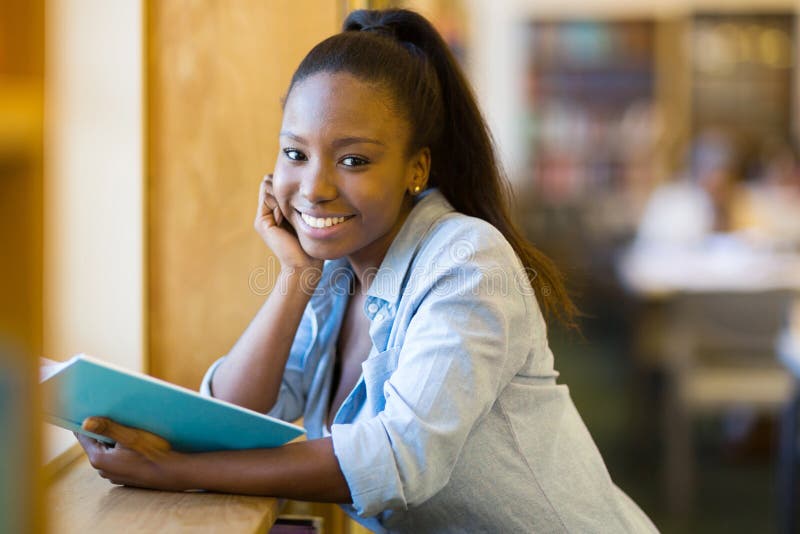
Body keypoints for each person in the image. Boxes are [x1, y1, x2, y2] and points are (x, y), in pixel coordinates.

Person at [75, 9, 657, 533]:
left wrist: (175, 472)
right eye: (295, 154)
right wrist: (293, 280)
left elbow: (394, 460)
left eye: (353, 160)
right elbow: (242, 414)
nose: (315, 188)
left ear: (415, 168)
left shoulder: (465, 261)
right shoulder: (334, 271)